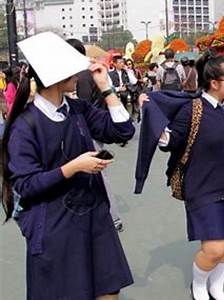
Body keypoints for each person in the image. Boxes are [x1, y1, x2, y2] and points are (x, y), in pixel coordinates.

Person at [1, 32, 135, 300]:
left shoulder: (77, 109)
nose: (79, 72)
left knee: (109, 292)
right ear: (55, 75)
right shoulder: (24, 126)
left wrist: (106, 87)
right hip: (54, 226)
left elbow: (123, 131)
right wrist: (72, 167)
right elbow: (26, 185)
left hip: (94, 216)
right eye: (72, 68)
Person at [143, 50, 224, 300]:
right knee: (214, 248)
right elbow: (170, 140)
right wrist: (152, 118)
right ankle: (198, 286)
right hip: (204, 188)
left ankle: (217, 287)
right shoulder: (193, 109)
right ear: (215, 83)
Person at [67, 38, 125, 232]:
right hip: (98, 124)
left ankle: (112, 217)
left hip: (91, 128)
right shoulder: (93, 70)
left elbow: (84, 104)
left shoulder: (83, 75)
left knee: (98, 172)